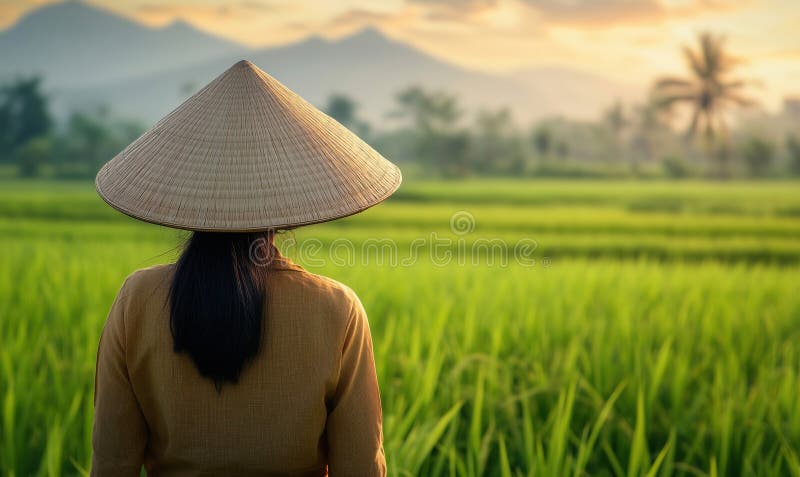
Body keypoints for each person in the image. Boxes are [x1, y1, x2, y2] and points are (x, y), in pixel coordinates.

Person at [90, 60, 402, 476]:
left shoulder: (137, 299)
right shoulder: (336, 308)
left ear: (189, 189)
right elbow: (360, 466)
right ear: (287, 203)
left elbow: (112, 462)